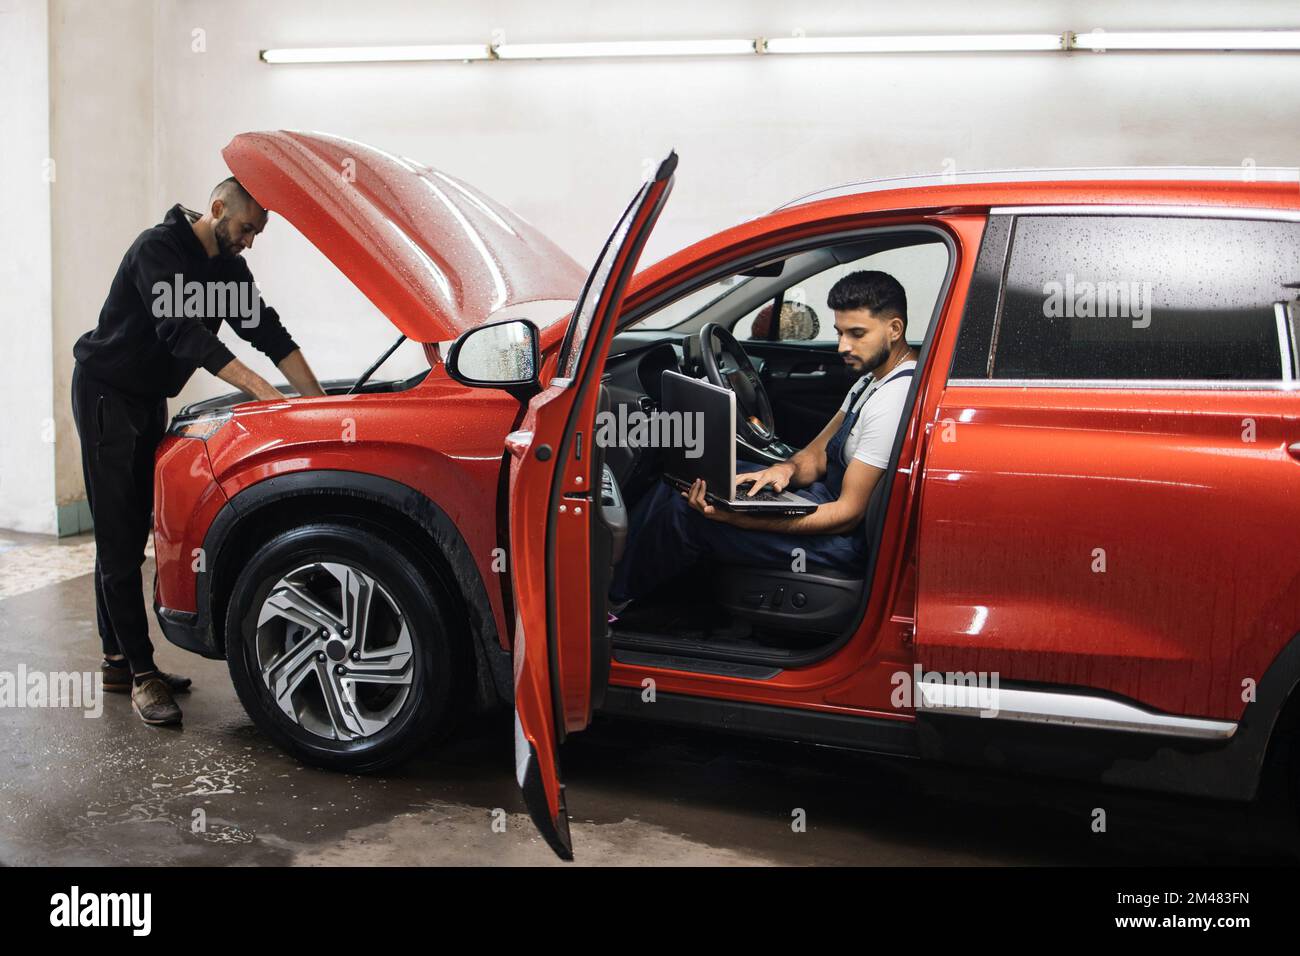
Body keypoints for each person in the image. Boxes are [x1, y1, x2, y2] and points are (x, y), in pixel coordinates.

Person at [71, 177, 325, 725]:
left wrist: (320, 406)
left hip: (145, 397)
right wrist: (265, 394)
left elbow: (267, 331)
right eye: (247, 228)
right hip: (106, 393)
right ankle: (141, 675)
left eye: (257, 233)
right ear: (217, 210)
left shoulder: (227, 268)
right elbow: (185, 336)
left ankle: (116, 660)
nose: (251, 241)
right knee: (118, 536)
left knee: (131, 528)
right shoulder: (154, 251)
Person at [610, 270, 916, 607]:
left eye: (857, 334)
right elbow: (815, 456)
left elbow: (846, 515)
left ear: (894, 329)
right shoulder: (870, 381)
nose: (843, 346)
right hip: (821, 499)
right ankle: (615, 572)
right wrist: (781, 472)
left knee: (689, 515)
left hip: (841, 541)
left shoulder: (893, 399)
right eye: (840, 332)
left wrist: (738, 517)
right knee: (692, 482)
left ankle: (611, 602)